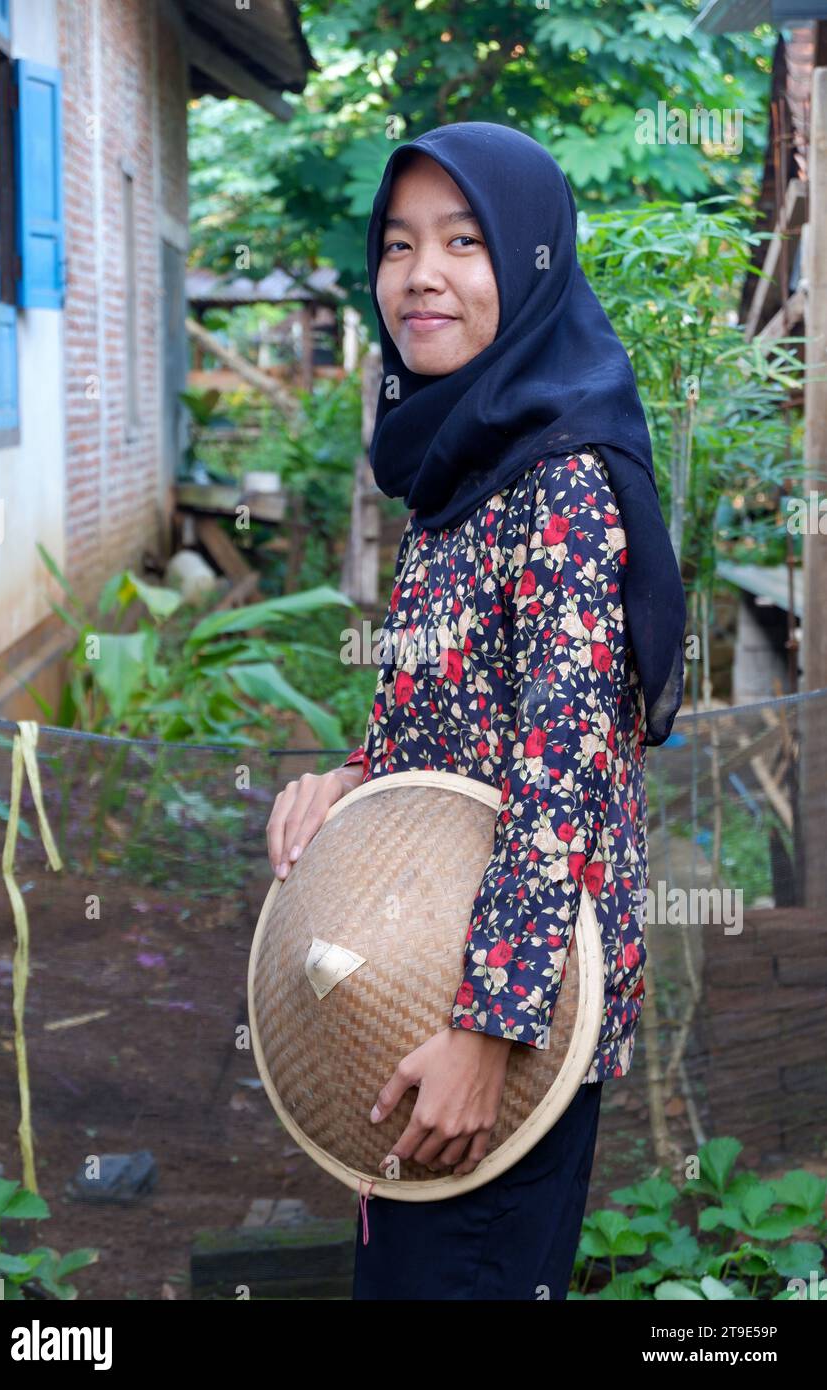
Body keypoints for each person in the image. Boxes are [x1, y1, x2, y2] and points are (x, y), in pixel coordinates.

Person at [265, 122, 686, 1300]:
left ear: (534, 260)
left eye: (463, 241)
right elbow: (457, 713)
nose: (421, 275)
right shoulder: (465, 466)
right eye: (397, 245)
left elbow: (559, 776)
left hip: (506, 1027)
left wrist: (489, 1037)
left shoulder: (558, 483)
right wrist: (355, 781)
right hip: (418, 993)